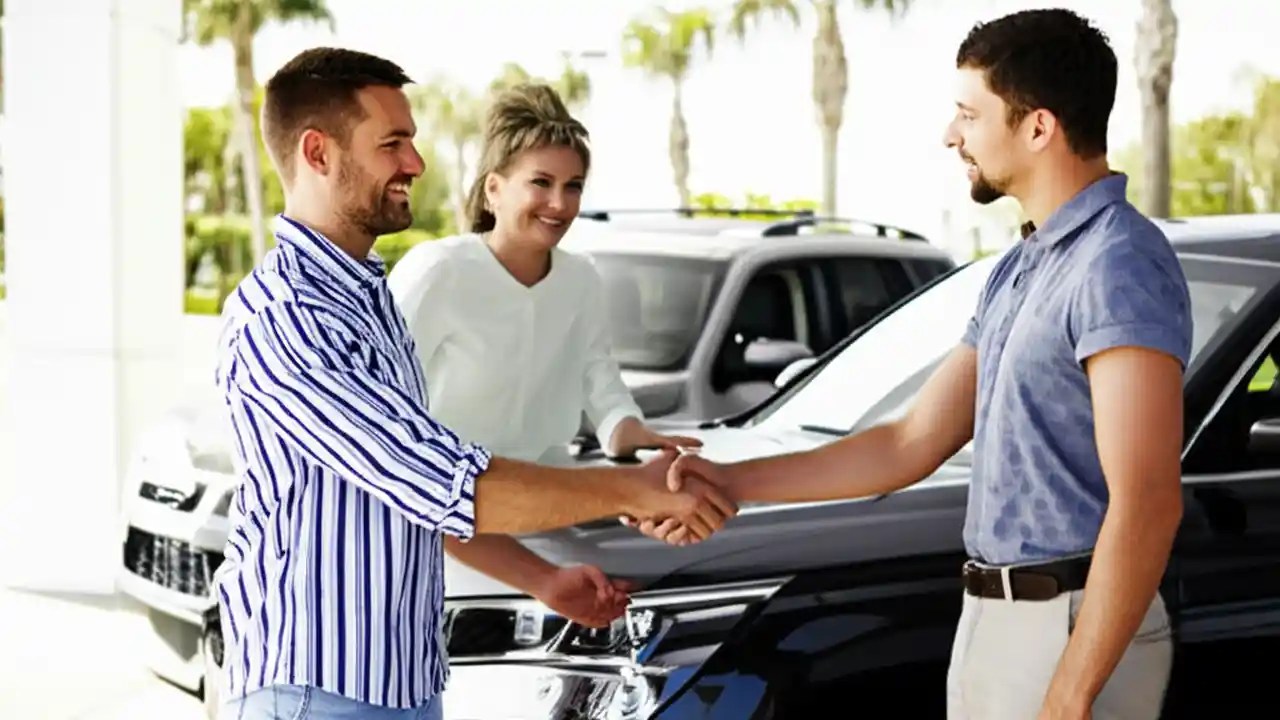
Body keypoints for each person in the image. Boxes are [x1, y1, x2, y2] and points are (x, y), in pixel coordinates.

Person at [660, 9, 1191, 719]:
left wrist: (1071, 691)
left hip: (1071, 627)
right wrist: (729, 481)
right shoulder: (1021, 269)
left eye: (969, 114)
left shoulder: (1118, 263)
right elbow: (908, 443)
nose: (951, 134)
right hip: (995, 624)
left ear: (1038, 126)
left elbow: (1148, 500)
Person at [211, 47, 736, 720]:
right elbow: (439, 480)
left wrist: (543, 578)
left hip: (402, 680)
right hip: (316, 691)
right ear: (318, 153)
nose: (415, 163)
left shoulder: (366, 302)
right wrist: (633, 489)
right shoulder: (289, 318)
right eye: (392, 143)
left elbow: (410, 499)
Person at [384, 82, 705, 609]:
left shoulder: (581, 280)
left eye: (573, 186)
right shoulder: (439, 272)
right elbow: (384, 419)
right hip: (441, 536)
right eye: (542, 182)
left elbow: (600, 384)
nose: (560, 204)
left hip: (546, 524)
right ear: (493, 190)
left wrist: (633, 436)